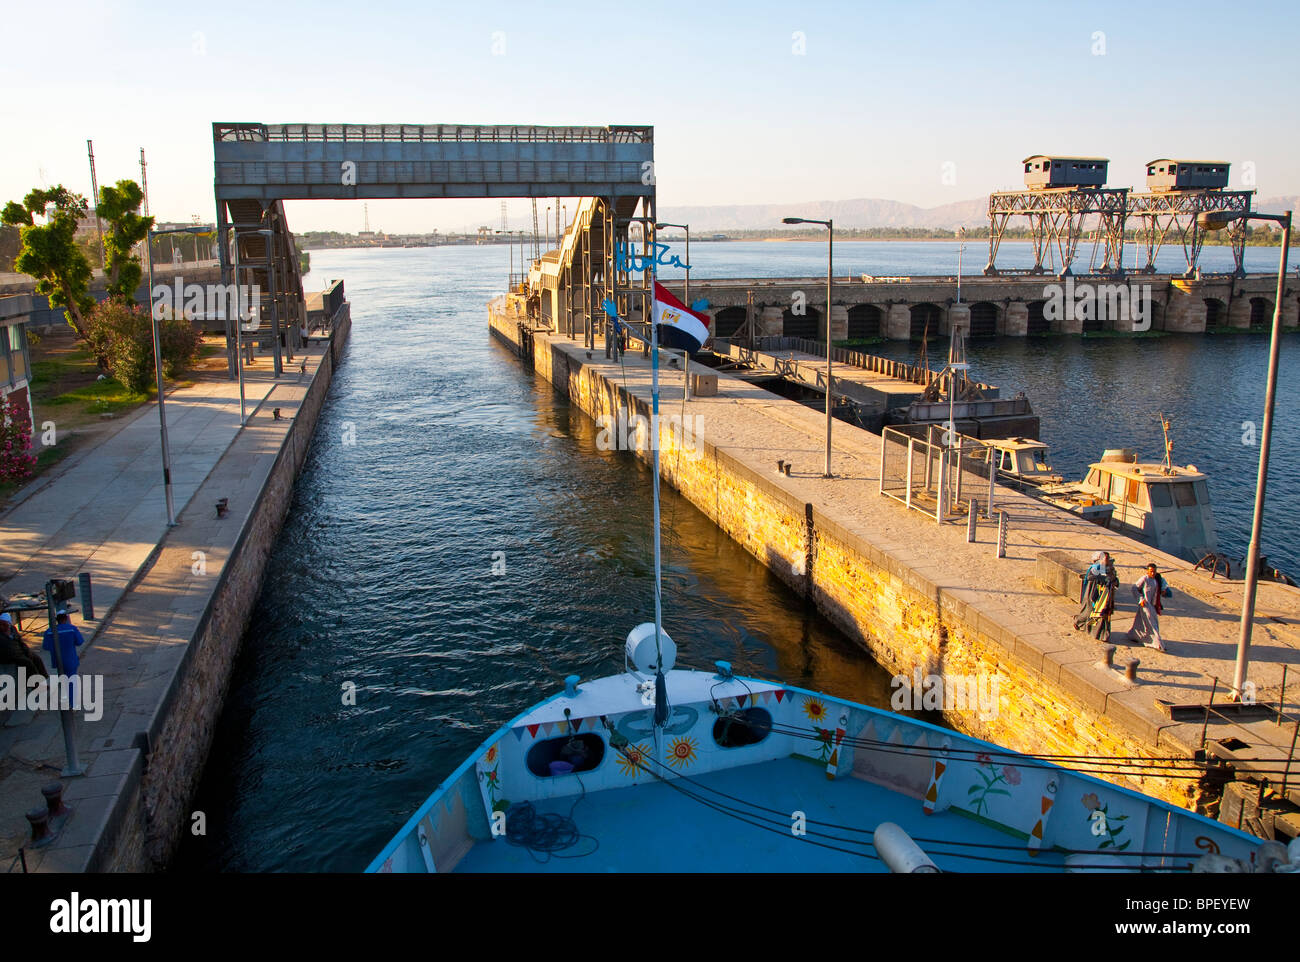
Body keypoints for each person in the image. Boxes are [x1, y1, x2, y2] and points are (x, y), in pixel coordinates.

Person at [1130, 563, 1171, 651]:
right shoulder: (1144, 579)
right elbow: (1134, 588)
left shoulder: (1157, 580)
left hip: (1153, 605)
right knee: (1152, 624)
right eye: (1151, 572)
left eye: (1154, 572)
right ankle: (1158, 644)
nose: (1152, 573)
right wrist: (1141, 599)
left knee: (1140, 622)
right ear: (1147, 571)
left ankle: (1134, 636)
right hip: (1145, 605)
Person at [0, 612, 47, 678]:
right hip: (9, 655)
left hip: (19, 652)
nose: (2, 626)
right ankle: (36, 684)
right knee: (28, 663)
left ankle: (43, 678)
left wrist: (27, 650)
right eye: (1, 624)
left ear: (9, 624)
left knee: (37, 659)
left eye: (4, 624)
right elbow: (7, 648)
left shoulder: (13, 630)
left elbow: (20, 642)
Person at [42, 609, 86, 677]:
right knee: (71, 682)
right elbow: (79, 642)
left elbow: (46, 647)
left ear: (57, 619)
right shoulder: (72, 629)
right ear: (66, 618)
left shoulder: (49, 631)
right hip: (71, 660)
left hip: (57, 661)